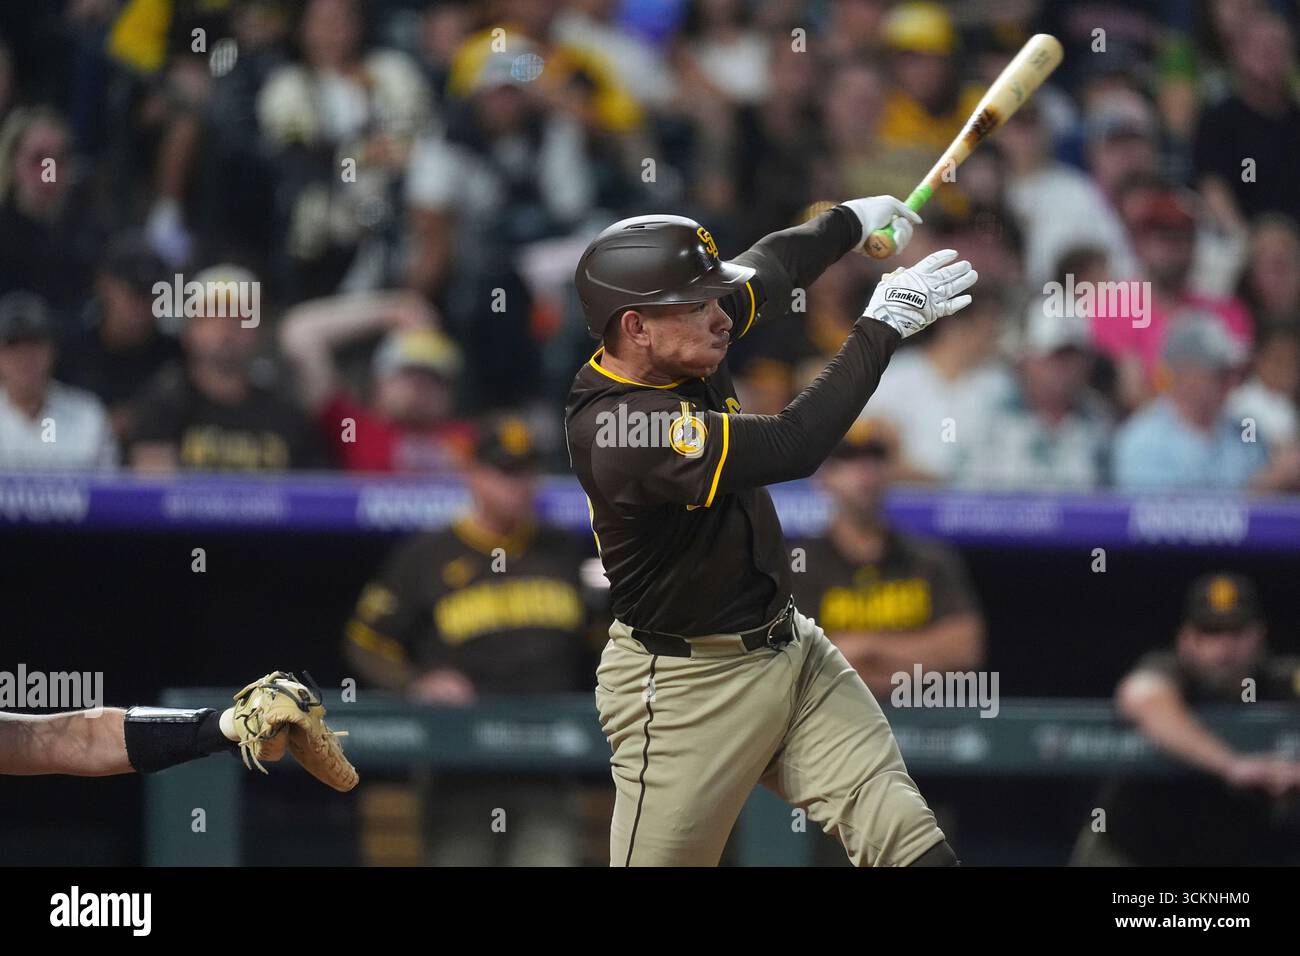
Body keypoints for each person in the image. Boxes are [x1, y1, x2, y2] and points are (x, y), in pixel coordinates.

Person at [566, 195, 970, 866]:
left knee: (912, 845)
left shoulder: (682, 337)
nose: (722, 317)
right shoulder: (619, 428)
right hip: (685, 688)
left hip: (793, 652)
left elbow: (773, 266)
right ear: (635, 327)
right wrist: (881, 326)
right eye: (700, 304)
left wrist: (849, 220)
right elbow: (794, 445)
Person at [343, 414, 594, 866]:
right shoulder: (427, 555)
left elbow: (601, 635)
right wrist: (417, 682)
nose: (518, 485)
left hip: (547, 757)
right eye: (505, 471)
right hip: (460, 758)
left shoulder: (564, 549)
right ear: (473, 474)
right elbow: (365, 642)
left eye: (527, 471)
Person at [1072, 573, 1300, 865]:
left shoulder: (1281, 679)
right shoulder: (1169, 669)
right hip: (1134, 849)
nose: (1223, 648)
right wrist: (1232, 766)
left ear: (1258, 635)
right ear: (1186, 639)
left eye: (1235, 632)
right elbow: (1141, 696)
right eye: (1210, 632)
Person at [790, 418, 984, 700]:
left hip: (920, 715)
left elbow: (964, 648)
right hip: (831, 713)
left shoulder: (929, 558)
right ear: (823, 478)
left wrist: (869, 647)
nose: (864, 472)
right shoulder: (799, 563)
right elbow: (795, 658)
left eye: (875, 458)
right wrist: (910, 662)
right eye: (848, 459)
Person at [128, 265, 330, 472]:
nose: (226, 328)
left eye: (241, 316)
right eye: (212, 315)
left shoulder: (287, 416)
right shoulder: (162, 406)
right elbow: (154, 487)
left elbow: (313, 486)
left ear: (261, 329)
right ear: (189, 329)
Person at [278, 289, 472, 474]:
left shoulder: (467, 438)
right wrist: (393, 310)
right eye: (408, 373)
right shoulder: (353, 430)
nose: (420, 386)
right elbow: (301, 333)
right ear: (380, 381)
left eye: (433, 377)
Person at [1112, 315, 1300, 491]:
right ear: (1186, 375)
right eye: (1221, 374)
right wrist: (1268, 485)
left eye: (1236, 373)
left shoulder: (1244, 430)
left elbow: (1261, 473)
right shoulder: (1144, 440)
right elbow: (1169, 512)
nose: (1232, 382)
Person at [863, 282, 1010, 482]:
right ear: (953, 326)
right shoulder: (898, 375)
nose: (993, 338)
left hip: (978, 493)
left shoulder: (998, 384)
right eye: (986, 329)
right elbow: (874, 449)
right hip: (908, 492)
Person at [959, 304, 1113, 490]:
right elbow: (964, 495)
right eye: (1054, 356)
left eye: (1074, 356)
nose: (1065, 367)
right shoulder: (988, 411)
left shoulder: (1100, 420)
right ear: (1025, 357)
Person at [56, 233, 181, 441]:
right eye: (134, 291)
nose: (142, 303)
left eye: (153, 293)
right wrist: (99, 425)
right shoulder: (69, 354)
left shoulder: (176, 355)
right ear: (104, 286)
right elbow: (45, 428)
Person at [0, 291, 117, 470]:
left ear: (51, 350)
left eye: (34, 343)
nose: (24, 357)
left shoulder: (88, 416)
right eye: (13, 345)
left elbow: (109, 485)